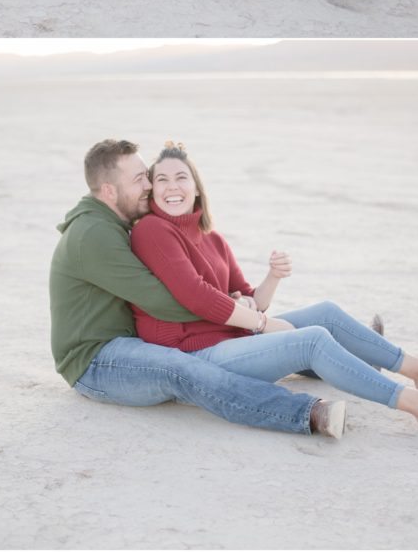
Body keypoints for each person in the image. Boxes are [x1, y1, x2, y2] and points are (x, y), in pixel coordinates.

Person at [129, 143, 418, 437]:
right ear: (152, 190)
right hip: (200, 356)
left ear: (196, 188)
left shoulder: (213, 237)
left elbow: (251, 300)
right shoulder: (153, 230)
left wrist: (272, 278)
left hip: (233, 339)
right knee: (312, 339)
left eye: (181, 177)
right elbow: (195, 296)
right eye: (162, 180)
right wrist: (261, 325)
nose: (172, 187)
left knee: (325, 313)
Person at [49, 139, 349, 439]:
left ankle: (350, 354)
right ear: (109, 191)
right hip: (96, 361)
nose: (150, 186)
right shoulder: (93, 234)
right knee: (182, 368)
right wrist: (231, 310)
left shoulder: (113, 222)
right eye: (140, 179)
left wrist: (231, 307)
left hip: (131, 343)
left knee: (270, 336)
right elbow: (162, 301)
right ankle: (306, 414)